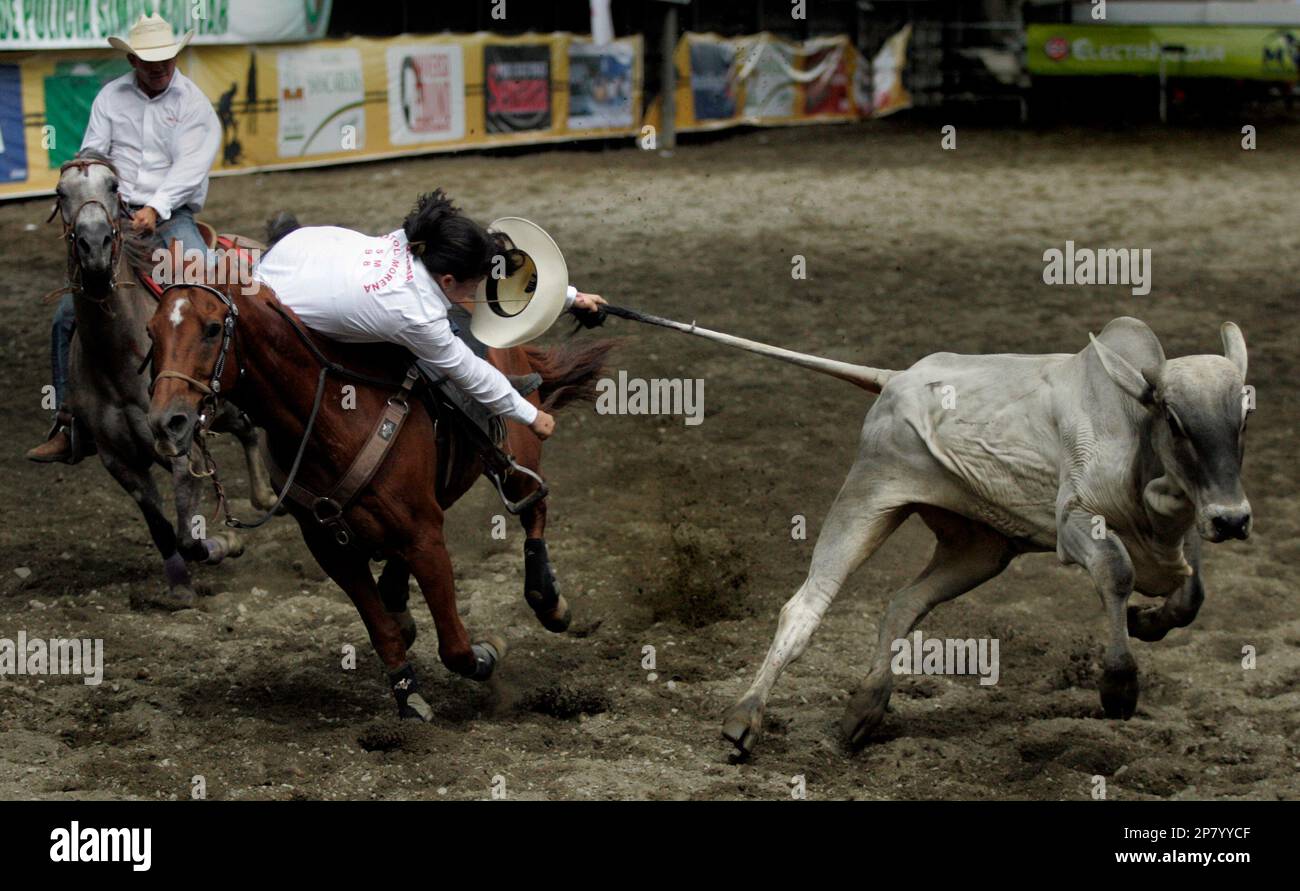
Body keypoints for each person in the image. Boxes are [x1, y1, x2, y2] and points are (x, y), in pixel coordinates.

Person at [252, 190, 607, 441]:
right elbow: (467, 371)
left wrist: (568, 297)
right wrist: (530, 415)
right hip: (278, 308)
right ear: (449, 280)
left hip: (299, 248)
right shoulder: (416, 314)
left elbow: (494, 281)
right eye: (473, 283)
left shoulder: (417, 243)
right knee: (440, 370)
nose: (477, 291)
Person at [28, 13, 220, 463]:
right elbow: (95, 149)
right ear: (132, 58)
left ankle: (221, 396)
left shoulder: (194, 104)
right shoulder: (110, 98)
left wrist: (157, 207)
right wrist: (92, 181)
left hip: (171, 215)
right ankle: (70, 422)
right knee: (66, 315)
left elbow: (190, 167)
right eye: (150, 60)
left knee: (204, 285)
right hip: (115, 215)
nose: (160, 67)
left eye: (167, 58)